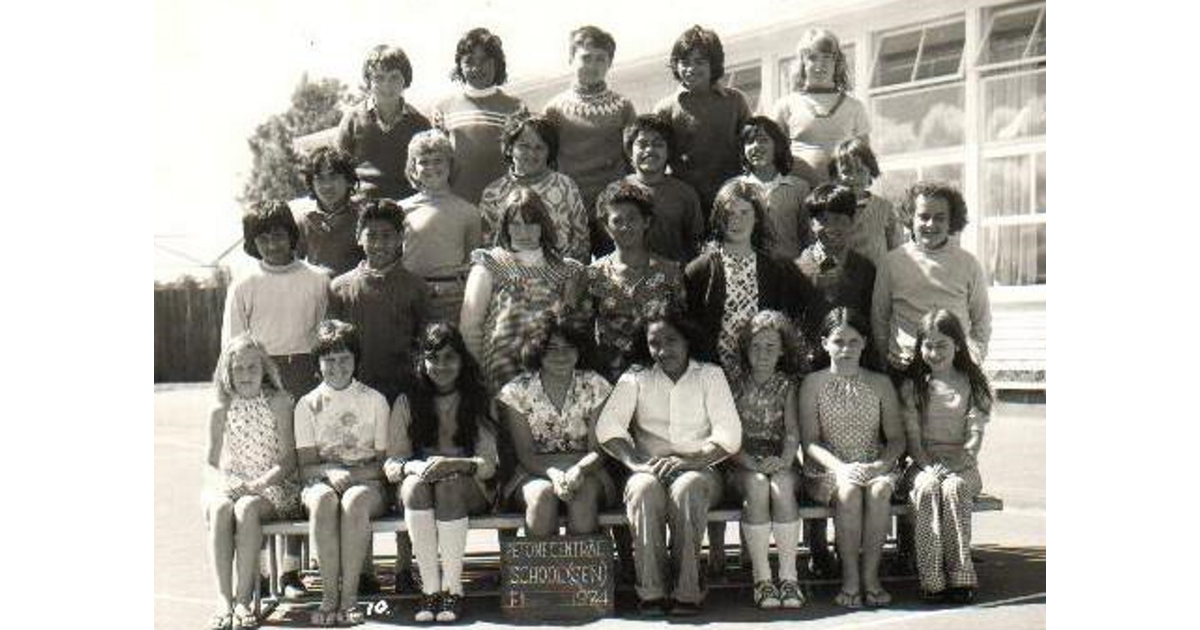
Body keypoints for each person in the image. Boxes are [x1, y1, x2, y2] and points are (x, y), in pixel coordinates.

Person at [596, 305, 742, 617]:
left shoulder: (710, 374)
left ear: (688, 339)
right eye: (655, 343)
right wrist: (635, 463)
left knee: (687, 487)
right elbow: (609, 428)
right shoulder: (636, 377)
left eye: (672, 340)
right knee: (642, 489)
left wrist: (690, 461)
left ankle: (687, 589)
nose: (663, 350)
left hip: (702, 468)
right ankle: (651, 590)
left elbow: (728, 435)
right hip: (650, 467)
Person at [383, 323, 500, 623]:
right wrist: (414, 466)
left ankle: (453, 587)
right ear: (422, 361)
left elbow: (489, 465)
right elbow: (393, 465)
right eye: (433, 358)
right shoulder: (407, 401)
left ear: (462, 360)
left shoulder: (478, 398)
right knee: (412, 487)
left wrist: (458, 465)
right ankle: (430, 588)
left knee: (448, 485)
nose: (442, 366)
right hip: (422, 486)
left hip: (469, 487)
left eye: (450, 357)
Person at [799, 307, 905, 608]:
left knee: (881, 489)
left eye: (854, 341)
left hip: (873, 464)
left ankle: (871, 578)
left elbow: (896, 439)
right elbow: (810, 442)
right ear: (824, 344)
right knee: (848, 493)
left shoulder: (880, 383)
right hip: (827, 470)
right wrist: (841, 469)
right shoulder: (812, 384)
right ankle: (850, 579)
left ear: (865, 343)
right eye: (838, 341)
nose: (846, 349)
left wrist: (879, 466)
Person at [294, 320, 391, 626]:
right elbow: (305, 467)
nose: (337, 367)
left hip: (367, 485)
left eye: (345, 358)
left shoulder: (375, 400)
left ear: (356, 359)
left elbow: (383, 466)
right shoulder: (307, 405)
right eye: (329, 360)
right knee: (324, 500)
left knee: (355, 500)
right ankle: (328, 596)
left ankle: (349, 597)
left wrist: (352, 477)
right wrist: (329, 472)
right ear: (318, 363)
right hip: (320, 482)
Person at [202, 336, 301, 630]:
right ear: (227, 372)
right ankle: (224, 599)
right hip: (233, 482)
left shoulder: (279, 402)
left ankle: (244, 599)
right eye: (238, 369)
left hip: (274, 487)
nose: (245, 375)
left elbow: (288, 461)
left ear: (264, 368)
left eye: (252, 367)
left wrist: (258, 484)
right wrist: (223, 483)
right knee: (220, 508)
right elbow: (209, 462)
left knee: (246, 508)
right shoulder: (220, 408)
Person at [684, 180, 816, 385]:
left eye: (744, 212)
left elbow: (805, 311)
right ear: (718, 219)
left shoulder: (777, 268)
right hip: (713, 380)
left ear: (757, 218)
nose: (736, 220)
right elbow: (689, 328)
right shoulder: (699, 270)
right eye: (728, 213)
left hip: (762, 380)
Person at [900, 309, 992, 604]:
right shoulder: (913, 386)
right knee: (928, 487)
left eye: (942, 345)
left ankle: (960, 575)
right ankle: (932, 578)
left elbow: (975, 434)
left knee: (954, 488)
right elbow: (913, 440)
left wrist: (959, 462)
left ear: (958, 345)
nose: (934, 352)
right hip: (923, 463)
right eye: (928, 345)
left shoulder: (973, 383)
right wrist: (930, 467)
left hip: (962, 465)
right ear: (919, 347)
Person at [497, 311, 617, 536]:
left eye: (568, 347)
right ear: (537, 351)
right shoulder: (516, 391)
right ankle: (541, 572)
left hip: (590, 471)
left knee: (583, 499)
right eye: (551, 349)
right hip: (533, 472)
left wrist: (577, 470)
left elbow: (598, 451)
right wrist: (554, 473)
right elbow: (526, 455)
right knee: (541, 498)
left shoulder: (596, 385)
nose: (560, 355)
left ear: (579, 350)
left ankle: (582, 571)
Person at [460, 187, 585, 394]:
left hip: (550, 370)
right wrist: (477, 375)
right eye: (515, 224)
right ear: (505, 227)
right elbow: (470, 328)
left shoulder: (565, 270)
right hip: (501, 371)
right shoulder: (490, 264)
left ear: (543, 225)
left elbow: (572, 327)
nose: (523, 233)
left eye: (531, 224)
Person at [724, 311, 805, 609]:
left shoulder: (787, 385)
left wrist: (783, 461)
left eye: (771, 347)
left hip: (778, 459)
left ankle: (789, 577)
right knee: (758, 486)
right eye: (756, 346)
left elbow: (793, 433)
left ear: (783, 350)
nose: (763, 353)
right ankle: (762, 578)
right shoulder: (734, 383)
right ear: (746, 349)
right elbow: (727, 436)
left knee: (782, 486)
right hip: (741, 462)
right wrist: (753, 464)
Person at [871, 182, 992, 374]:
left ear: (951, 221)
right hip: (905, 368)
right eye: (924, 217)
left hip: (955, 368)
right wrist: (886, 354)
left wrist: (973, 359)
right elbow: (879, 318)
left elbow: (982, 320)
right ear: (911, 218)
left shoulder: (968, 264)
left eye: (939, 218)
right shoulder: (891, 262)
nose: (931, 224)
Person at [544, 25, 637, 256]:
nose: (593, 66)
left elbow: (633, 160)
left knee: (616, 274)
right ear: (571, 59)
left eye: (601, 59)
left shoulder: (623, 106)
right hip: (569, 210)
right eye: (586, 58)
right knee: (574, 278)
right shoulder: (554, 109)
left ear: (609, 63)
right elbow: (546, 163)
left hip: (614, 210)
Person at [222, 200, 329, 400]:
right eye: (263, 239)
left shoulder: (319, 279)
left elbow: (326, 336)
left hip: (309, 375)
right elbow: (232, 343)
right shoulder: (243, 284)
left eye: (278, 236)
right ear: (252, 243)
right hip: (262, 376)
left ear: (291, 234)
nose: (272, 245)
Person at [328, 198, 430, 406]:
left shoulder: (416, 287)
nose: (379, 244)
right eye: (371, 236)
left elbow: (425, 344)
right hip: (351, 392)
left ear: (401, 238)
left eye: (387, 236)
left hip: (401, 394)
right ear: (358, 238)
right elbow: (329, 346)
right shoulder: (339, 287)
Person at [582, 182, 686, 383]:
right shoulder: (593, 275)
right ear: (606, 227)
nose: (625, 226)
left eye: (632, 218)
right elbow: (583, 332)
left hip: (659, 376)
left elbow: (682, 328)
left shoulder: (670, 272)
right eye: (617, 220)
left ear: (646, 221)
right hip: (609, 378)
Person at [654, 25, 751, 216]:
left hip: (731, 199)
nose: (691, 69)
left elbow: (750, 145)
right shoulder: (665, 108)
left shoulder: (735, 101)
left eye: (699, 62)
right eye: (684, 62)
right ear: (676, 64)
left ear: (713, 64)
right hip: (685, 203)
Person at [432, 28, 527, 205]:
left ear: (497, 63)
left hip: (505, 205)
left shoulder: (516, 108)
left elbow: (525, 161)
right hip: (458, 206)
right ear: (459, 65)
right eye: (469, 61)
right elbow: (437, 163)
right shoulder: (443, 109)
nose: (477, 67)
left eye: (484, 61)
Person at [478, 113, 590, 262]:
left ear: (549, 151)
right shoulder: (493, 193)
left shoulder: (565, 186)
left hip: (561, 277)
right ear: (510, 148)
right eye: (524, 146)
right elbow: (488, 246)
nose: (532, 153)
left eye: (540, 147)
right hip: (513, 279)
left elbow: (582, 242)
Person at [594, 114, 705, 263]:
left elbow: (696, 242)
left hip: (674, 278)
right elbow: (605, 242)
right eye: (642, 144)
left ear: (668, 151)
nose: (649, 150)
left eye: (658, 144)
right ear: (629, 152)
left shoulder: (685, 194)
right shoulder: (614, 192)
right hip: (627, 278)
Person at [398, 129, 483, 322]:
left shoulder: (469, 211)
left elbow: (472, 262)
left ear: (450, 165)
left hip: (452, 298)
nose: (431, 167)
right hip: (412, 296)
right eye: (423, 162)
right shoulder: (400, 209)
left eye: (438, 160)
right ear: (413, 168)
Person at [770, 28, 870, 186]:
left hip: (842, 197)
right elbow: (772, 156)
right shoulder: (785, 105)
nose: (819, 65)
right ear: (802, 61)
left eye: (827, 58)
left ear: (837, 62)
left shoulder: (854, 107)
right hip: (799, 196)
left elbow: (865, 160)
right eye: (812, 58)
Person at [337, 45, 432, 201]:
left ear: (405, 80)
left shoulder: (419, 123)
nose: (386, 85)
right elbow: (338, 166)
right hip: (363, 208)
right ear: (368, 81)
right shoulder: (353, 118)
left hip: (409, 205)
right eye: (379, 78)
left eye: (394, 77)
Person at [794, 183, 876, 343]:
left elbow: (871, 318)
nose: (831, 227)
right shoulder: (796, 269)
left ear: (852, 221)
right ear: (811, 224)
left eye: (838, 219)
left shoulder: (865, 268)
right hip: (812, 359)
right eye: (823, 220)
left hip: (852, 356)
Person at [726, 117, 811, 260]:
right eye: (749, 141)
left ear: (778, 146)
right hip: (749, 271)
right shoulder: (732, 188)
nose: (756, 146)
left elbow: (808, 236)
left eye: (763, 140)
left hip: (789, 270)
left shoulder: (799, 188)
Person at [827, 137, 903, 267]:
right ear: (835, 175)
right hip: (841, 283)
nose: (853, 177)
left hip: (878, 282)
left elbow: (896, 251)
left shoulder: (884, 208)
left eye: (860, 171)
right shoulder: (827, 210)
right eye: (846, 171)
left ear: (871, 172)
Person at [292, 147, 364, 277]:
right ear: (311, 184)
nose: (327, 185)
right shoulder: (303, 222)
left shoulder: (365, 216)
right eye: (320, 179)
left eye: (334, 177)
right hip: (319, 293)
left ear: (348, 180)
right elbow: (293, 268)